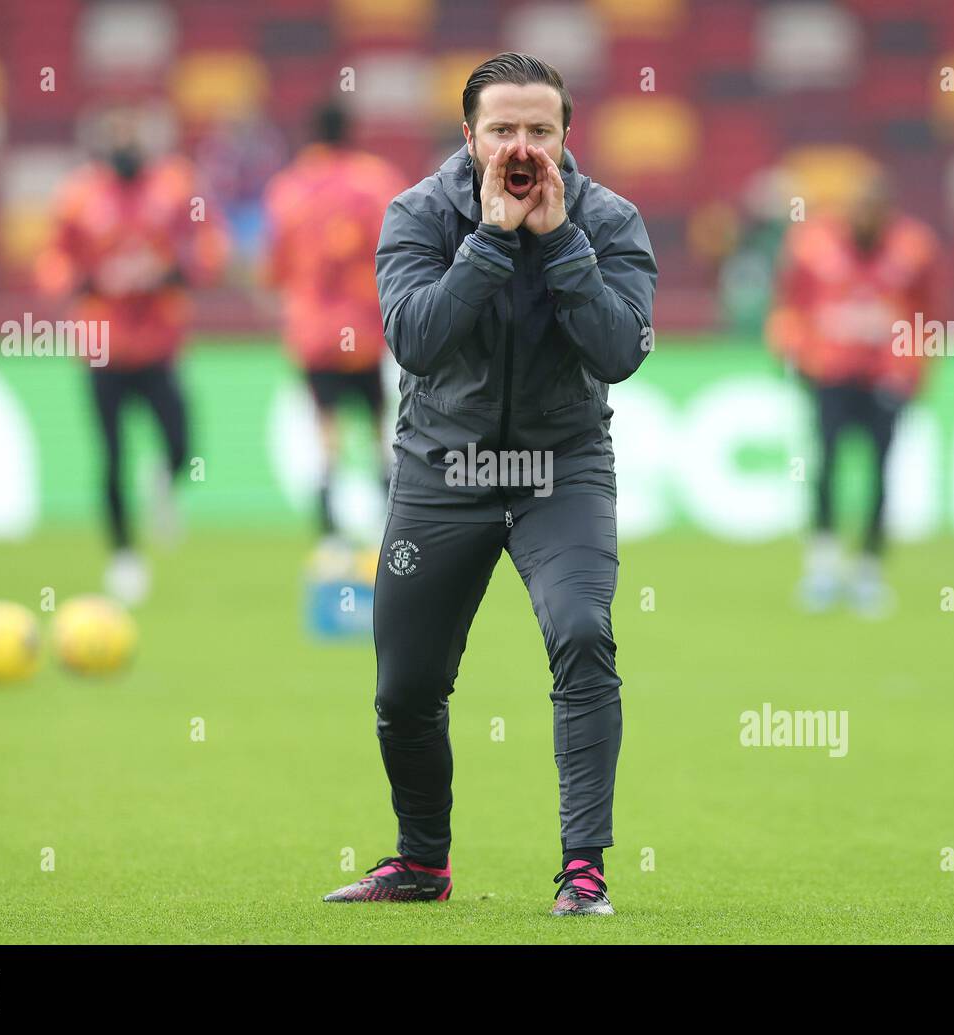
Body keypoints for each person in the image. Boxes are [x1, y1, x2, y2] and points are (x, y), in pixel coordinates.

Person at [321, 53, 657, 915]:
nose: (521, 144)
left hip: (561, 468)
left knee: (584, 634)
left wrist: (556, 242)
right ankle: (422, 862)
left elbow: (620, 352)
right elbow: (418, 342)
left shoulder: (609, 221)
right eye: (502, 128)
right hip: (444, 471)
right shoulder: (419, 215)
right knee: (404, 688)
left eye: (538, 130)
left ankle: (584, 871)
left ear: (564, 136)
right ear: (468, 135)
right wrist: (490, 240)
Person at [36, 107, 228, 605]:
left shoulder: (174, 187)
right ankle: (123, 555)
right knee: (111, 454)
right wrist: (95, 280)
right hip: (103, 346)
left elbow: (209, 247)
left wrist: (167, 273)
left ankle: (163, 476)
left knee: (182, 440)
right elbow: (53, 261)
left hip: (158, 343)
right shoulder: (79, 195)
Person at [767, 172, 939, 617]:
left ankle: (868, 568)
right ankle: (822, 565)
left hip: (886, 375)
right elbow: (791, 304)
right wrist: (792, 352)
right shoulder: (812, 246)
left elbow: (926, 313)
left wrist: (916, 369)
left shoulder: (914, 248)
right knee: (826, 464)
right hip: (830, 371)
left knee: (881, 471)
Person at [261, 101, 406, 539]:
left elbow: (276, 266)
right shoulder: (377, 181)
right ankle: (391, 512)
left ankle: (328, 520)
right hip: (365, 326)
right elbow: (401, 248)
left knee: (327, 425)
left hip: (314, 329)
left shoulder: (288, 188)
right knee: (379, 420)